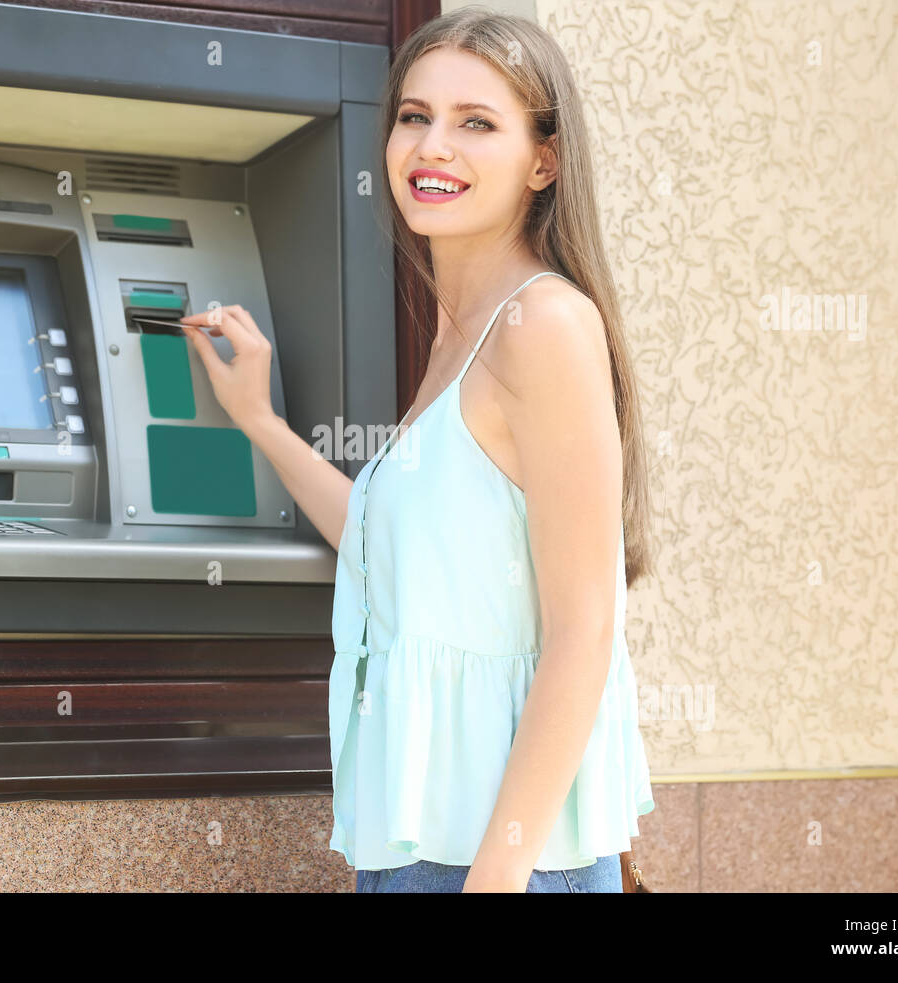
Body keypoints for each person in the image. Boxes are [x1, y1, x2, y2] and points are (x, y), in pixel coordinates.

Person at [181, 5, 655, 893]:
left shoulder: (541, 323)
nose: (433, 145)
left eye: (476, 122)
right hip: (418, 845)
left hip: (502, 854)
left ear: (543, 160)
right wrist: (261, 420)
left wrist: (496, 875)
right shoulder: (455, 334)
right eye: (414, 116)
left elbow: (584, 632)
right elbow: (382, 534)